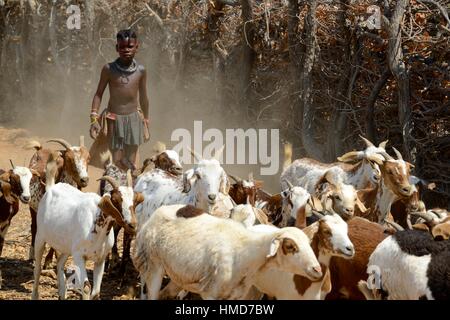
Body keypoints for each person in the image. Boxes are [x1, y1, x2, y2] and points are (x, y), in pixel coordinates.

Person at [90, 29, 150, 171]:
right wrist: (93, 118)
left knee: (131, 161)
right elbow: (99, 94)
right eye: (122, 47)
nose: (126, 50)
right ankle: (113, 188)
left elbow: (144, 97)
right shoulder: (109, 69)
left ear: (137, 47)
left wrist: (146, 121)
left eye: (130, 47)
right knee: (117, 159)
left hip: (134, 118)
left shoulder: (141, 71)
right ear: (117, 48)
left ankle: (129, 188)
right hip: (113, 119)